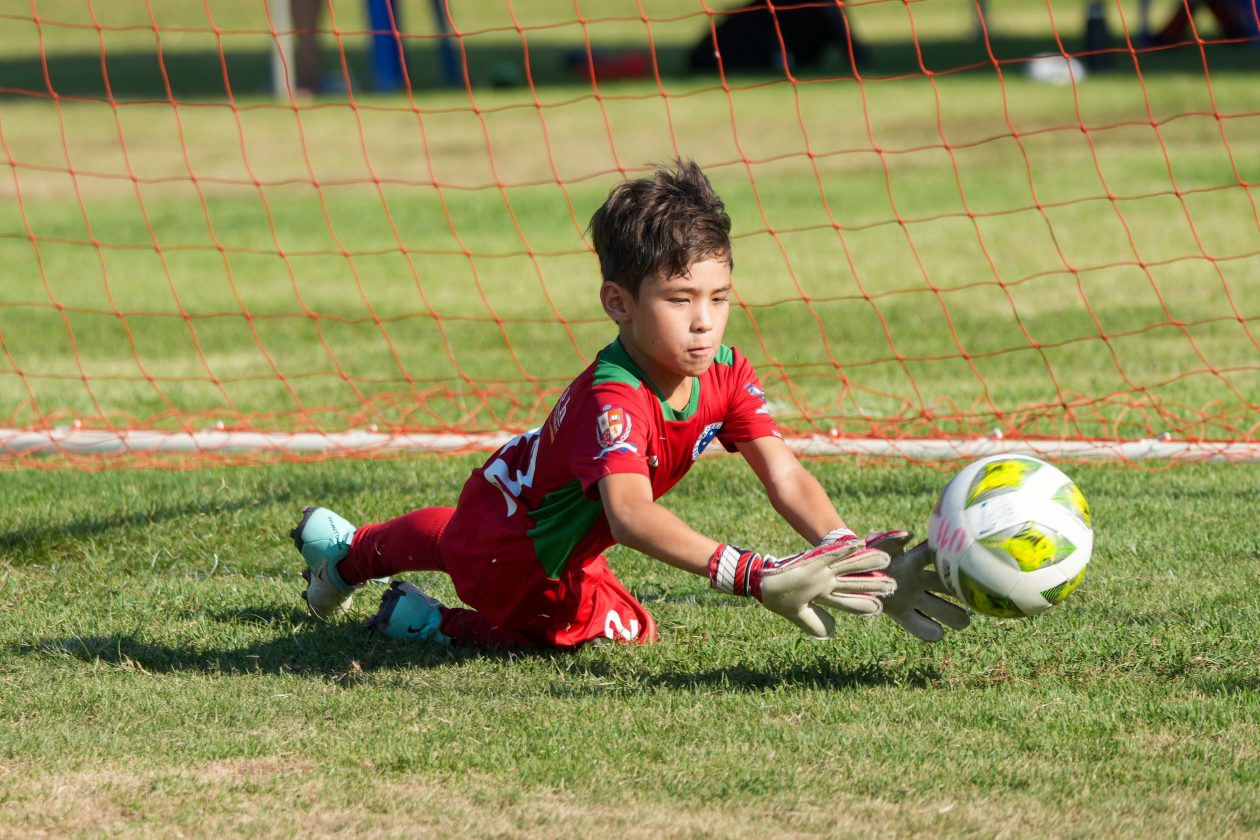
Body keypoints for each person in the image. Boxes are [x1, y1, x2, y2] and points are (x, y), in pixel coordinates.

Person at [290, 159, 968, 649]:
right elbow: (632, 513)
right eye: (680, 300)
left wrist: (846, 550)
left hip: (498, 512)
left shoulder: (726, 374)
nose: (704, 321)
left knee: (458, 539)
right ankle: (427, 621)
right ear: (619, 302)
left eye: (719, 297)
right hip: (521, 562)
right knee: (622, 632)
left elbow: (783, 473)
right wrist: (750, 574)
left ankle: (347, 555)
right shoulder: (615, 397)